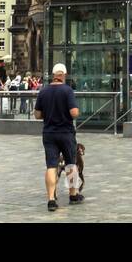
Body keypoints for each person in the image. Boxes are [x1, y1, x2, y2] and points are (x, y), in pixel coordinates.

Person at [34, 63, 83, 212]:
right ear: (64, 75)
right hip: (66, 133)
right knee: (71, 164)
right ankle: (73, 195)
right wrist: (75, 111)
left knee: (51, 165)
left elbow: (37, 115)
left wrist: (48, 113)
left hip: (49, 133)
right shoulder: (67, 91)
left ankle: (51, 199)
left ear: (54, 75)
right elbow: (74, 113)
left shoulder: (43, 91)